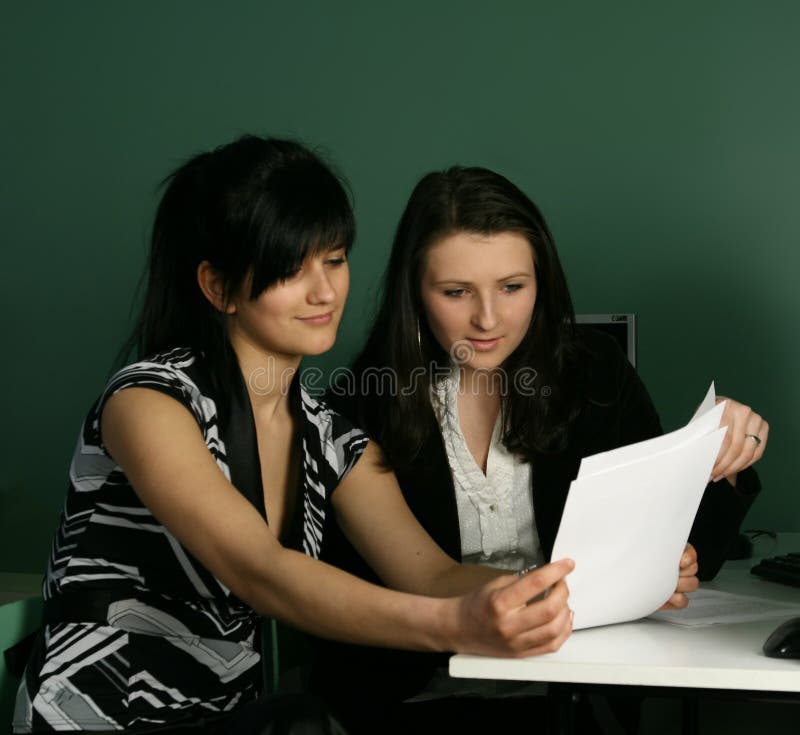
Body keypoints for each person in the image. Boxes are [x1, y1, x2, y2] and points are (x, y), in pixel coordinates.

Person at [12, 140, 581, 734]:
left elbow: (431, 576)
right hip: (102, 714)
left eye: (333, 260)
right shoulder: (149, 401)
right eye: (290, 269)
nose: (325, 292)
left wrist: (574, 590)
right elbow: (260, 570)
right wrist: (455, 625)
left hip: (234, 717)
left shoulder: (329, 433)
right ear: (219, 287)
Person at [311, 166, 768, 733]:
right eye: (456, 292)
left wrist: (720, 456)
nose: (488, 319)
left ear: (541, 283)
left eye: (512, 287)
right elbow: (415, 582)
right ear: (414, 293)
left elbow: (695, 552)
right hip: (409, 702)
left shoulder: (595, 372)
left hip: (569, 697)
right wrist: (598, 584)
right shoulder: (358, 406)